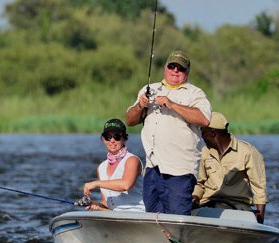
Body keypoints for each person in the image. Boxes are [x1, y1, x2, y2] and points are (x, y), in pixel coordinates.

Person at [125, 50, 211, 214]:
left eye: (180, 68)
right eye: (172, 66)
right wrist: (140, 106)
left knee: (176, 216)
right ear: (165, 67)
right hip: (153, 167)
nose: (175, 70)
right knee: (152, 214)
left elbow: (204, 119)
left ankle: (179, 239)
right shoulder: (150, 88)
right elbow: (130, 120)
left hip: (180, 170)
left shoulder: (195, 93)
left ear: (187, 72)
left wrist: (171, 104)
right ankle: (159, 240)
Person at [192, 112, 268, 224]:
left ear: (212, 133)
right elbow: (200, 183)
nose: (201, 137)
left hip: (238, 207)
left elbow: (259, 188)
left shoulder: (248, 152)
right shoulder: (204, 152)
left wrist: (260, 219)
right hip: (208, 205)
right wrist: (194, 199)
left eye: (203, 132)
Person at [82, 118, 144, 211]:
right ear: (103, 139)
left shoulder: (132, 160)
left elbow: (125, 185)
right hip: (115, 215)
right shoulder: (101, 167)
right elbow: (106, 203)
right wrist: (95, 205)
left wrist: (96, 183)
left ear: (124, 138)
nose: (112, 140)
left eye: (117, 137)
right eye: (108, 137)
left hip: (137, 212)